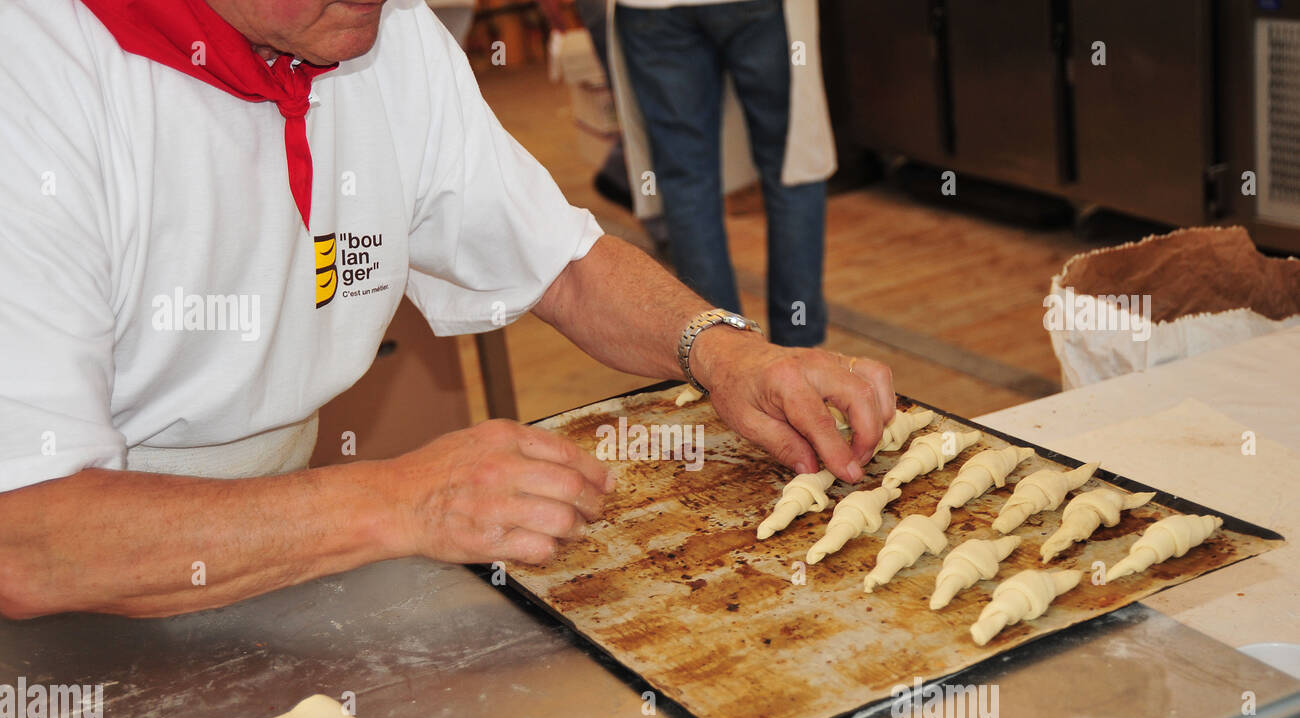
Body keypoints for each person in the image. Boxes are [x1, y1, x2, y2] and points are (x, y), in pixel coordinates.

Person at [0, 0, 891, 620]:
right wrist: (397, 501)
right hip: (63, 624)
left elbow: (562, 262)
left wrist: (726, 353)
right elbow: (28, 536)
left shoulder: (380, 32)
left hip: (281, 558)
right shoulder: (35, 74)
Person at [611, 0, 835, 347]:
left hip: (651, 10)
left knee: (687, 181)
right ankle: (799, 348)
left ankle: (723, 351)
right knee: (792, 166)